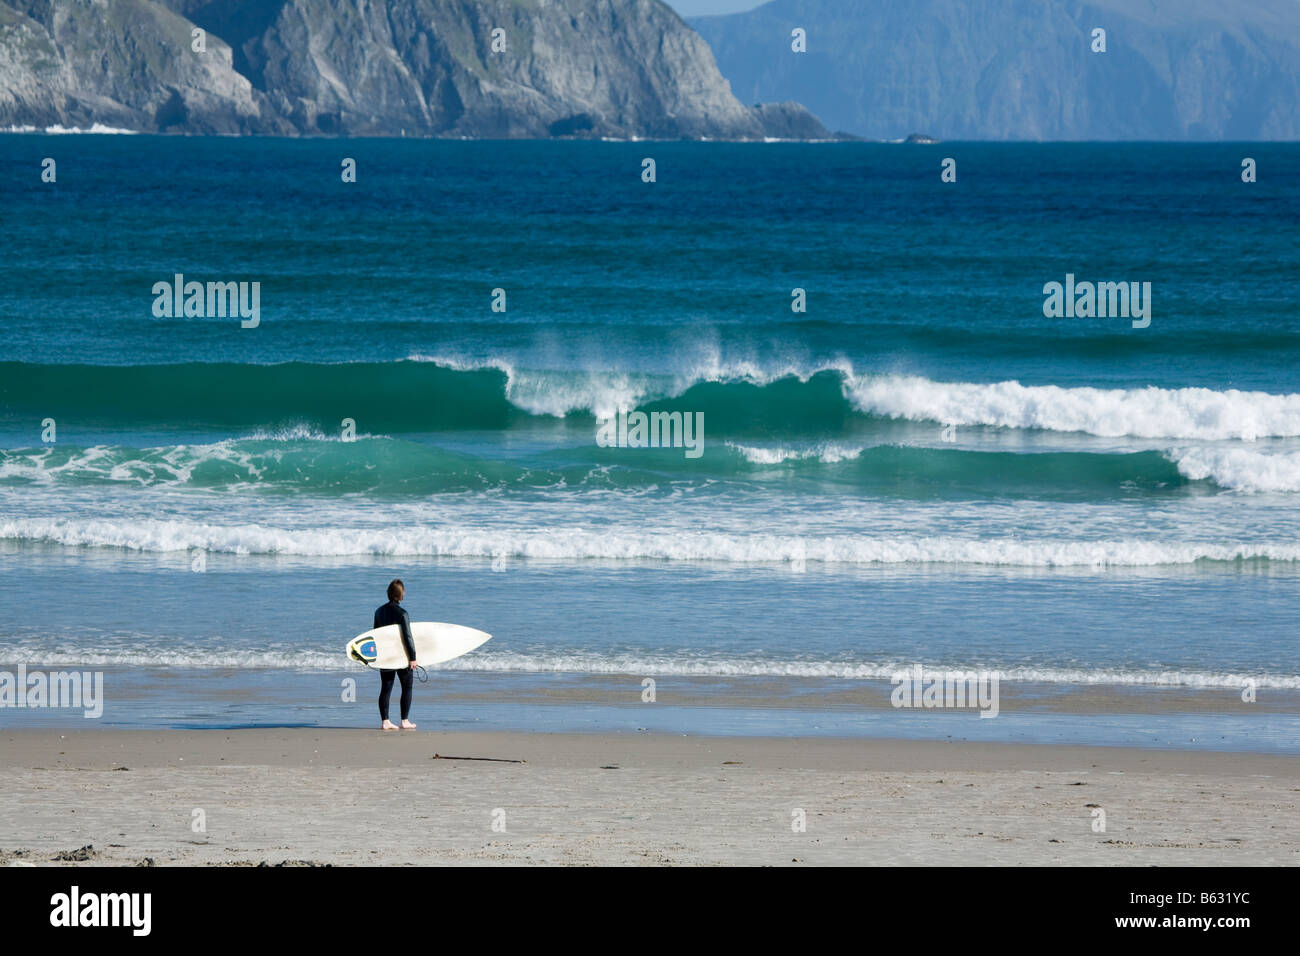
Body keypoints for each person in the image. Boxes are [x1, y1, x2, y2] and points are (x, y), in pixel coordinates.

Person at [374, 578, 418, 730]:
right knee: (407, 686)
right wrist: (412, 658)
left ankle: (385, 721)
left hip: (385, 655)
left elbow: (375, 635)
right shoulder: (403, 614)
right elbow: (408, 637)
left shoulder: (379, 612)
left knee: (386, 687)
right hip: (400, 656)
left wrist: (377, 656)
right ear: (401, 594)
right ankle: (404, 720)